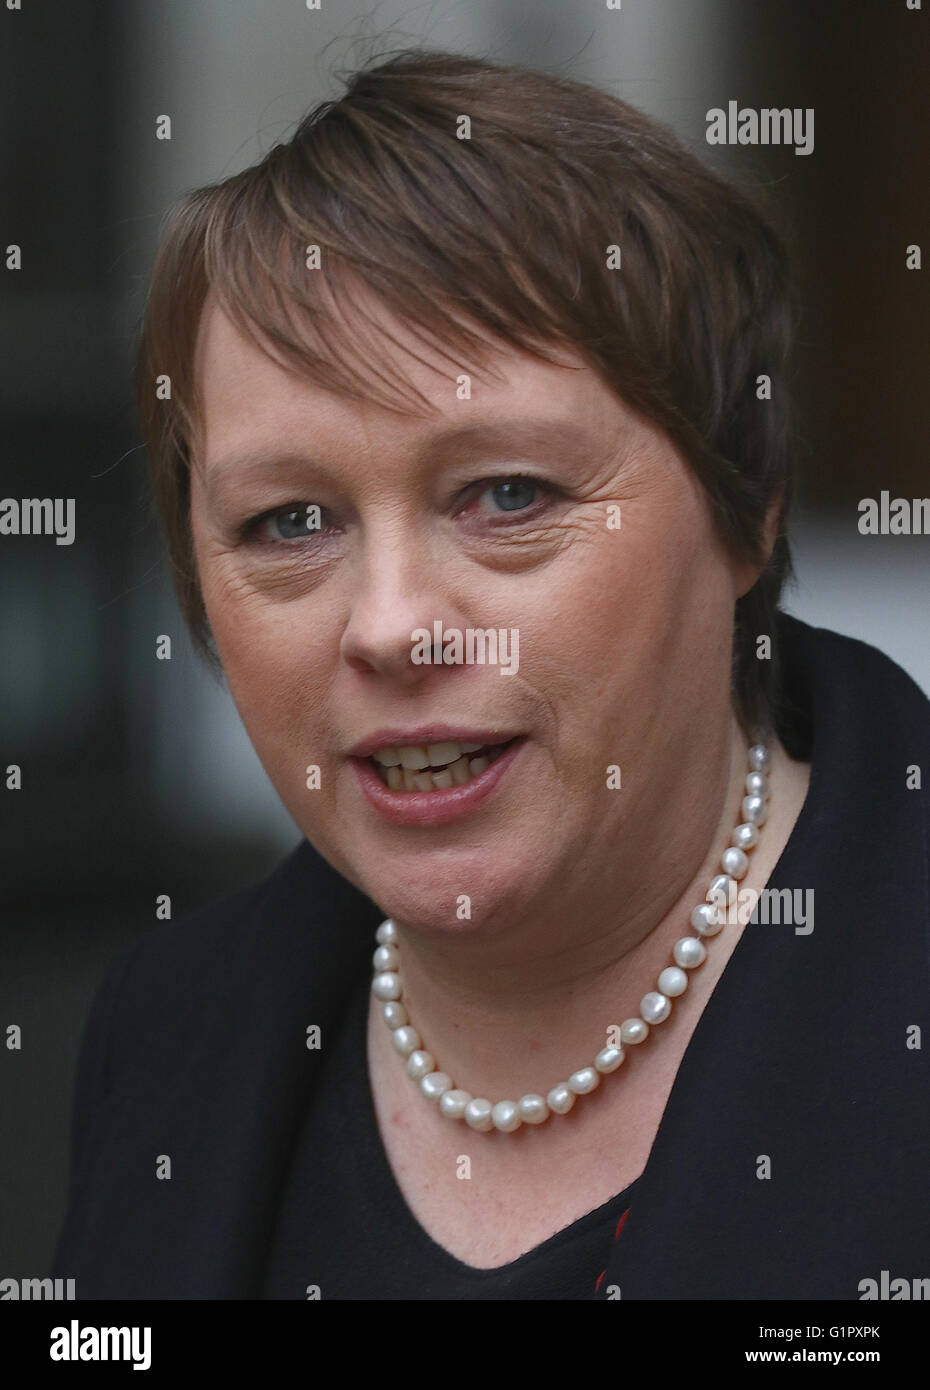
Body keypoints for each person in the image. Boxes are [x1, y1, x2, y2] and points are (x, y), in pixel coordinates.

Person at [51, 49, 929, 1300]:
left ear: (749, 507)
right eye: (290, 523)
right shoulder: (168, 1030)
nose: (396, 627)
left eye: (508, 494)